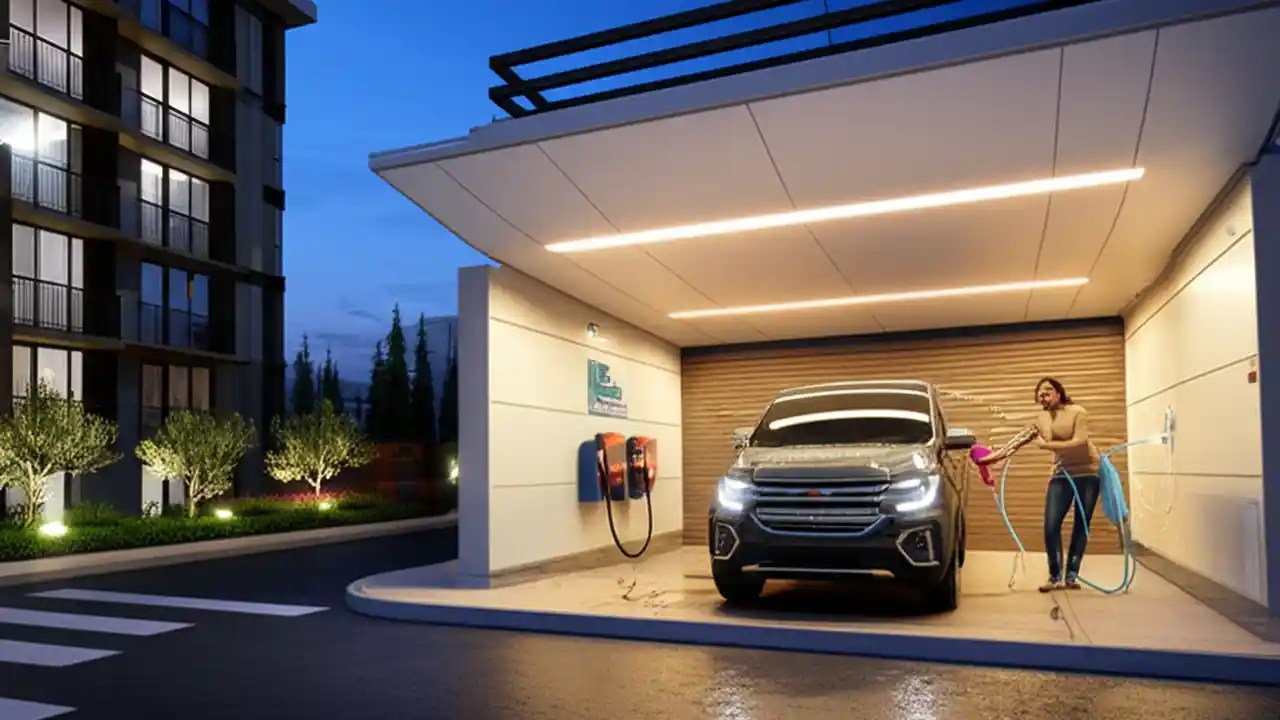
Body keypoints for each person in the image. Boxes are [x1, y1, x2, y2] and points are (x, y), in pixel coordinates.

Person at [976, 377, 1101, 592]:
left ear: (1059, 392)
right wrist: (993, 458)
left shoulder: (1078, 412)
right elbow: (1018, 440)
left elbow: (1080, 441)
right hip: (1062, 473)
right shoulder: (1041, 419)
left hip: (1088, 472)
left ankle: (1071, 575)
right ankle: (1055, 577)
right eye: (1040, 394)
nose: (1044, 396)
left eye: (1048, 391)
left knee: (1081, 524)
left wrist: (1047, 445)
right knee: (1051, 525)